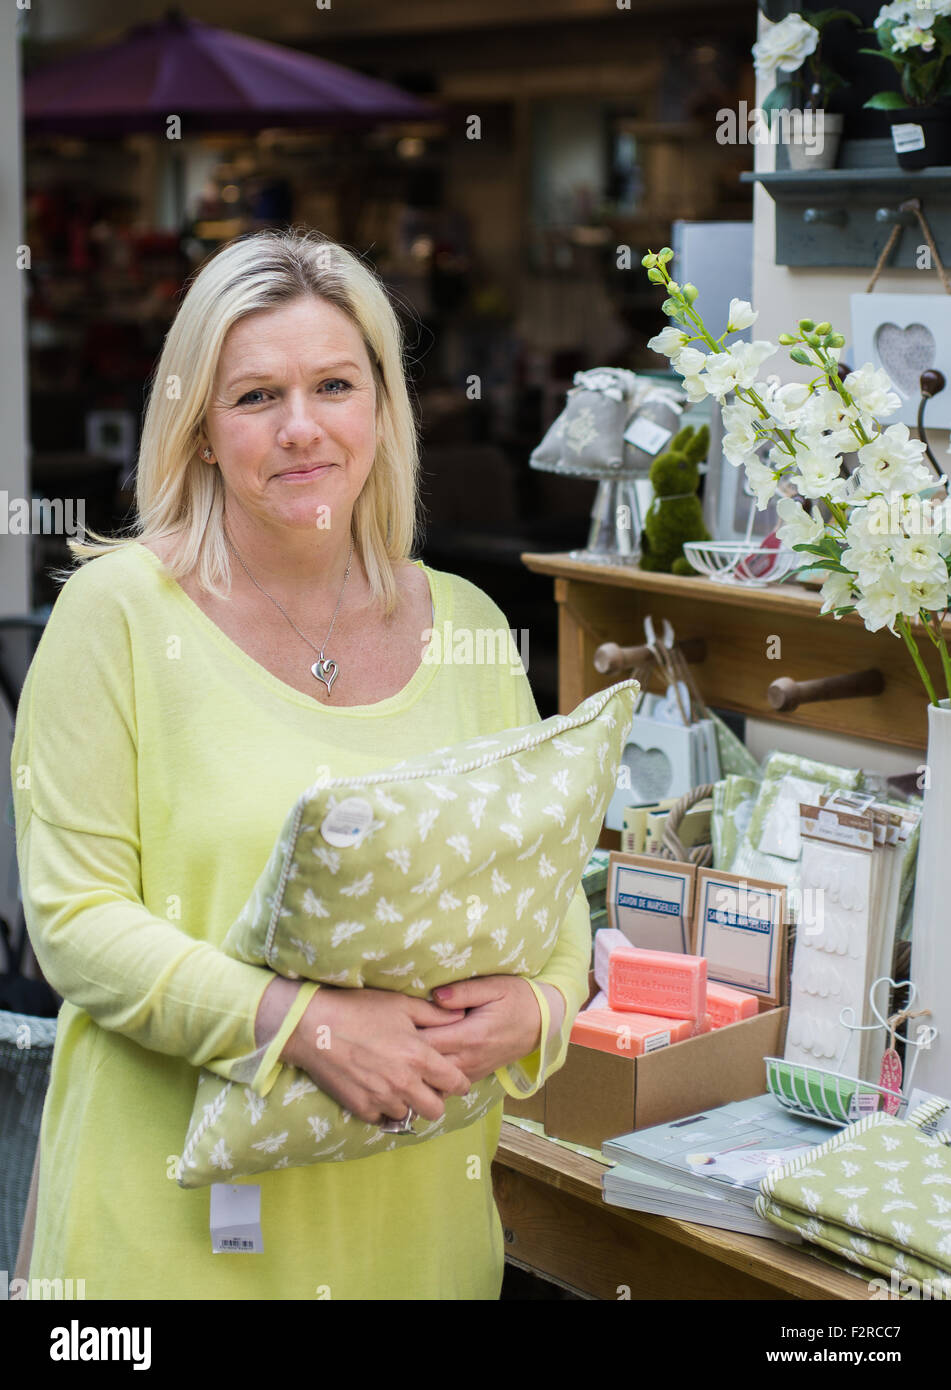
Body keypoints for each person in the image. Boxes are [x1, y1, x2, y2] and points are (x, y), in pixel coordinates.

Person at [10, 228, 592, 1300]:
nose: (302, 428)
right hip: (173, 1237)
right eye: (255, 397)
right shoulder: (118, 616)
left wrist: (542, 1010)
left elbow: (550, 896)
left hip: (416, 1227)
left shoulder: (465, 626)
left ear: (382, 406)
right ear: (197, 429)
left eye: (334, 384)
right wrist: (302, 1025)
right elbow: (74, 924)